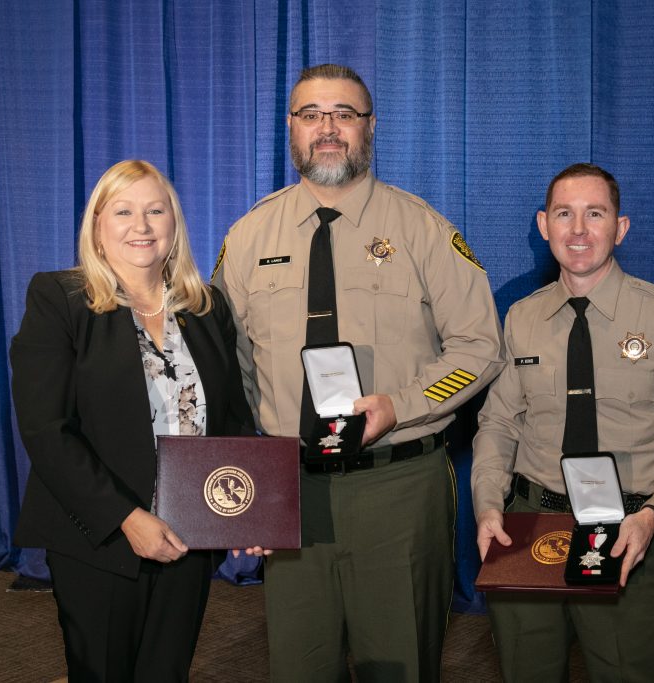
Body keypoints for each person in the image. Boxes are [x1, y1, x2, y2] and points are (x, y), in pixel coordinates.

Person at [212, 64, 504, 681]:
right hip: (288, 486)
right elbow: (226, 371)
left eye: (345, 114)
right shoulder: (245, 237)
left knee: (400, 662)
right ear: (289, 128)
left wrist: (402, 404)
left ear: (371, 128)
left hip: (397, 485)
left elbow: (480, 348)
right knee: (299, 664)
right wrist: (241, 489)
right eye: (311, 114)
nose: (328, 128)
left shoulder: (423, 229)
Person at [471, 163, 654, 682]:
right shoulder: (521, 317)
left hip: (627, 531)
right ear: (543, 225)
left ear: (621, 227)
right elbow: (498, 423)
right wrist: (486, 506)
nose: (578, 230)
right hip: (529, 530)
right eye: (565, 214)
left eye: (595, 214)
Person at [10, 159, 255, 681]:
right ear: (98, 228)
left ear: (174, 225)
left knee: (167, 672)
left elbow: (231, 417)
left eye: (154, 211)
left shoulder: (207, 307)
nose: (141, 226)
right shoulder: (60, 300)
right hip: (100, 537)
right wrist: (127, 518)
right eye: (123, 211)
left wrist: (244, 511)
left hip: (190, 532)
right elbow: (46, 430)